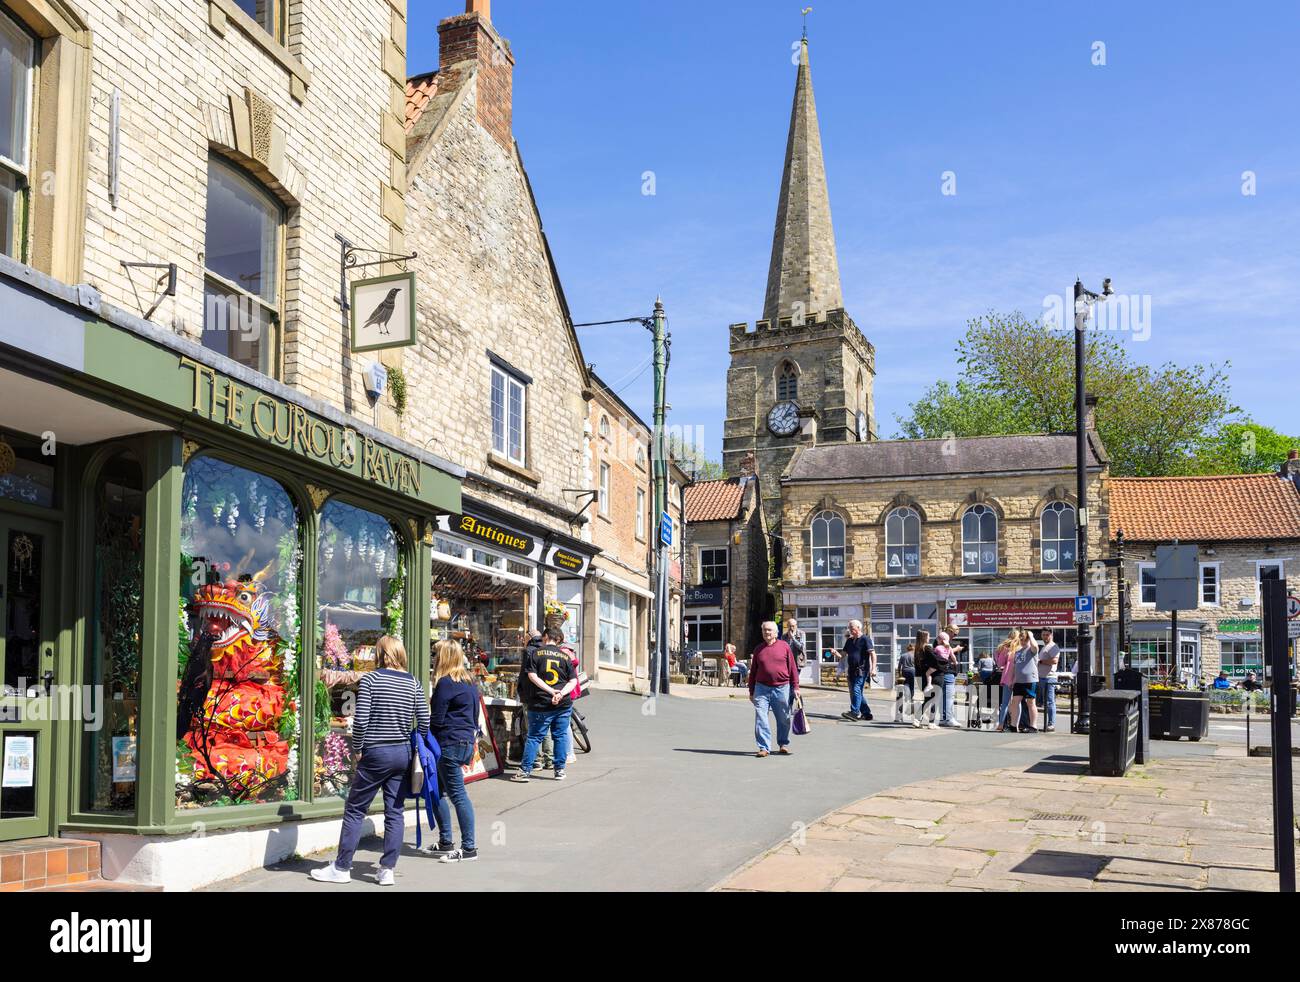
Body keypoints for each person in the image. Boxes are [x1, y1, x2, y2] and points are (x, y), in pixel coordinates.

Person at [311, 635, 428, 885]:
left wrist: (359, 747)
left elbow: (361, 720)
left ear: (381, 654)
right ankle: (387, 869)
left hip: (376, 752)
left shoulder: (372, 679)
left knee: (355, 809)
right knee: (395, 811)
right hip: (402, 753)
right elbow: (424, 720)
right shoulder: (414, 682)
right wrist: (419, 744)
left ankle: (342, 867)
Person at [424, 639, 479, 863]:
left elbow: (436, 720)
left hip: (449, 744)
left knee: (457, 795)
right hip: (465, 742)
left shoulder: (446, 683)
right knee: (437, 791)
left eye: (436, 655)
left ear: (443, 658)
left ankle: (469, 848)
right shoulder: (469, 681)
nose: (434, 659)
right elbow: (474, 715)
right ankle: (446, 841)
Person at [511, 627, 578, 783]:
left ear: (546, 637)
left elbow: (532, 676)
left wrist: (550, 692)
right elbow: (573, 680)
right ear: (559, 639)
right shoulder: (565, 656)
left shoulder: (535, 653)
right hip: (562, 703)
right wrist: (560, 694)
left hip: (541, 702)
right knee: (560, 735)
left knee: (534, 737)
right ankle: (559, 770)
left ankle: (525, 771)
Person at [749, 620, 799, 757]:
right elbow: (753, 672)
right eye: (764, 630)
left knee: (784, 717)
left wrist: (796, 686)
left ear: (776, 633)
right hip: (761, 688)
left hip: (782, 687)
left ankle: (783, 743)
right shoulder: (758, 649)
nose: (766, 632)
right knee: (761, 717)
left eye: (769, 630)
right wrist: (751, 691)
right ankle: (764, 747)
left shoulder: (784, 647)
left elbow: (793, 668)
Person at [1000, 629, 1040, 733]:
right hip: (1019, 680)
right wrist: (1013, 679)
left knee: (1030, 702)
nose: (1023, 641)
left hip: (1030, 679)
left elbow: (1035, 647)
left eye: (1025, 639)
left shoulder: (1031, 649)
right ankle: (1014, 725)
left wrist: (1031, 636)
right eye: (1021, 639)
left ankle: (1033, 726)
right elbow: (1014, 666)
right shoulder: (1017, 651)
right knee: (1015, 702)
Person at [838, 619, 876, 722]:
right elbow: (843, 654)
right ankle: (867, 713)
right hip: (851, 670)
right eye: (849, 628)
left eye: (852, 628)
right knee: (858, 692)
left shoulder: (865, 639)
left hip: (862, 670)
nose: (850, 630)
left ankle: (854, 712)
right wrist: (835, 654)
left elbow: (873, 654)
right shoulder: (849, 640)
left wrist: (873, 669)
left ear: (858, 628)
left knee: (856, 689)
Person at [933, 632, 961, 727]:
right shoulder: (948, 648)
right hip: (948, 672)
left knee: (942, 697)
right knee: (949, 697)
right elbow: (953, 658)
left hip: (939, 673)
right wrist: (956, 662)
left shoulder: (936, 648)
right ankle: (949, 718)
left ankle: (943, 718)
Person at [913, 630, 939, 729]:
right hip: (926, 677)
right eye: (928, 636)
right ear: (924, 637)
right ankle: (921, 719)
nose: (929, 637)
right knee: (931, 699)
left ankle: (918, 719)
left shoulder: (917, 649)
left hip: (919, 677)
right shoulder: (927, 648)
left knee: (928, 698)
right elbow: (936, 660)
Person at [994, 630, 1019, 731]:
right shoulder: (1020, 648)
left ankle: (1001, 724)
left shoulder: (1004, 648)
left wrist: (1005, 666)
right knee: (1017, 703)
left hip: (1007, 677)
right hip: (1019, 677)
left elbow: (999, 664)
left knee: (1005, 703)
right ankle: (1015, 725)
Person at [1037, 629, 1061, 732]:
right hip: (1042, 677)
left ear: (1051, 635)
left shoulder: (1053, 646)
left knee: (1050, 702)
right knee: (1044, 702)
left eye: (1047, 635)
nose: (1045, 637)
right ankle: (1048, 723)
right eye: (1043, 635)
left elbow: (1055, 661)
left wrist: (1041, 661)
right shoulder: (1044, 647)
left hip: (1049, 677)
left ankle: (1051, 724)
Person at [896, 642, 917, 725]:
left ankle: (907, 696)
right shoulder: (915, 655)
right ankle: (911, 697)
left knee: (906, 684)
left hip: (905, 670)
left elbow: (899, 666)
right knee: (912, 685)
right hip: (913, 670)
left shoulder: (903, 655)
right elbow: (917, 665)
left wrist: (899, 673)